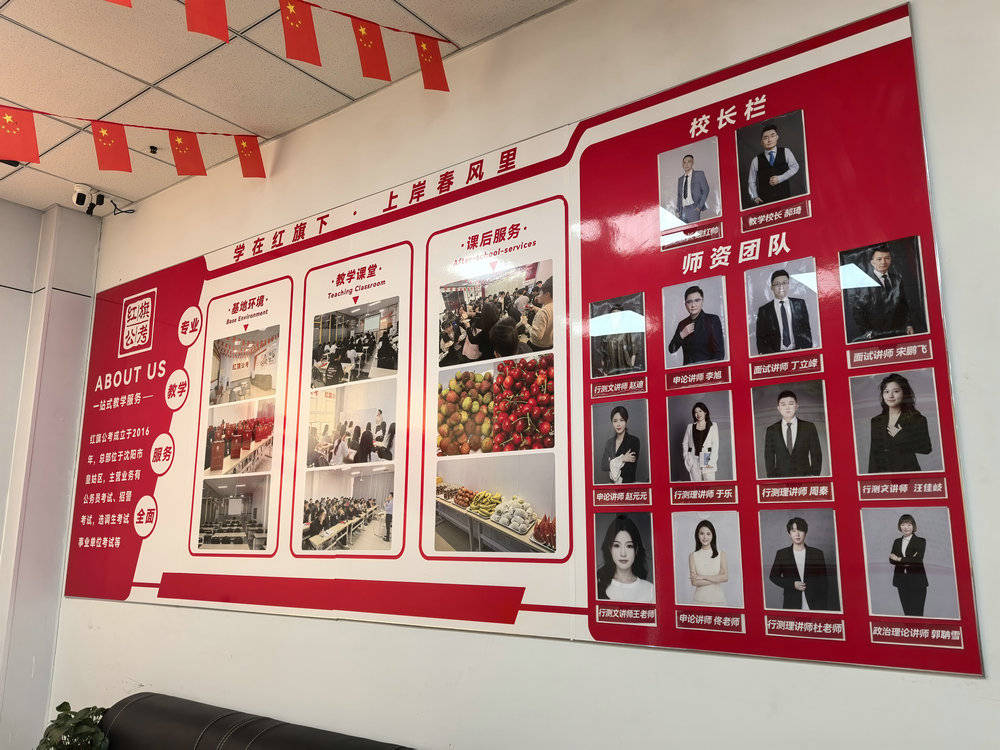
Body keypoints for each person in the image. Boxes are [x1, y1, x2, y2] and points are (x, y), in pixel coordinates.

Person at [848, 244, 917, 341]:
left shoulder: (897, 279)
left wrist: (908, 324)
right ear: (872, 262)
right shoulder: (864, 282)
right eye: (879, 259)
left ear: (891, 260)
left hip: (898, 330)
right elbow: (857, 310)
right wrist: (866, 332)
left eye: (887, 258)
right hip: (874, 334)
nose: (883, 262)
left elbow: (903, 304)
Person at [868, 373, 932, 473]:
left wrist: (899, 436)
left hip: (908, 471)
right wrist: (872, 478)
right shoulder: (876, 421)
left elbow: (926, 448)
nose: (890, 395)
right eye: (886, 391)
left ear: (904, 393)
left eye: (896, 391)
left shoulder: (916, 419)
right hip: (883, 473)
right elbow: (874, 454)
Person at [768, 517, 830, 610]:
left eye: (800, 530)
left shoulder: (817, 553)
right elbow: (773, 577)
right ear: (789, 533)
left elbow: (824, 582)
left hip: (815, 604)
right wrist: (792, 584)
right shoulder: (782, 554)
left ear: (805, 532)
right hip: (792, 603)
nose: (797, 534)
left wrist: (822, 606)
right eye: (793, 531)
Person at [763, 389, 822, 477]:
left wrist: (814, 475)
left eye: (791, 404)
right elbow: (769, 457)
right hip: (781, 478)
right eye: (783, 404)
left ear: (796, 406)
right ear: (778, 408)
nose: (787, 407)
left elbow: (816, 454)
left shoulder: (809, 427)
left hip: (805, 477)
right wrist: (772, 479)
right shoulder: (771, 430)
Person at [596, 515, 655, 603]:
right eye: (617, 545)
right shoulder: (597, 585)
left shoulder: (650, 590)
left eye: (629, 546)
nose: (623, 554)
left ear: (636, 549)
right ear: (610, 549)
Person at [755, 269, 813, 354]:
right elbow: (760, 338)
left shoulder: (799, 304)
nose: (781, 286)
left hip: (798, 352)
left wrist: (806, 351)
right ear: (771, 287)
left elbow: (806, 330)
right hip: (775, 355)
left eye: (784, 283)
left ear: (788, 285)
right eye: (777, 284)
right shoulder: (764, 310)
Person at [667, 285, 725, 365]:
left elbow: (720, 354)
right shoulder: (682, 324)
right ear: (685, 304)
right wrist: (682, 335)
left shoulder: (712, 320)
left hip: (707, 370)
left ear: (702, 301)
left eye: (697, 300)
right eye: (689, 302)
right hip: (687, 371)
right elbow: (671, 349)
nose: (693, 305)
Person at [747, 122, 800, 205]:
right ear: (761, 142)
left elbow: (795, 166)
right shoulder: (756, 160)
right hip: (765, 201)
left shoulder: (786, 151)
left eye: (772, 136)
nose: (769, 140)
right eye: (766, 138)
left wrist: (780, 178)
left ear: (777, 137)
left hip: (785, 197)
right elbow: (751, 180)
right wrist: (755, 196)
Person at [889, 513, 928, 616]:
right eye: (903, 524)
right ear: (899, 526)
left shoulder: (920, 541)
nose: (906, 527)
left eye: (909, 525)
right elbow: (891, 560)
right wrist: (908, 559)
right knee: (907, 613)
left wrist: (899, 559)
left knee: (917, 613)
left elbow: (917, 560)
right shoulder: (897, 542)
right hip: (901, 581)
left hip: (917, 581)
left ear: (913, 526)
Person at [688, 520, 728, 605]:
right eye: (702, 533)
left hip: (719, 600)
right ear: (697, 535)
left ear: (713, 535)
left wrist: (702, 577)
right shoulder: (693, 556)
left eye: (708, 534)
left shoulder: (721, 554)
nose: (705, 537)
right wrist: (717, 579)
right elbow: (694, 582)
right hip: (699, 601)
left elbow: (725, 577)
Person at [599, 406, 640, 484]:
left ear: (626, 421)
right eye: (615, 421)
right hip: (612, 485)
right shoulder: (609, 442)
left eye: (621, 420)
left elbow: (629, 469)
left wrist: (612, 461)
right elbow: (604, 466)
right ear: (612, 422)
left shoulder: (634, 441)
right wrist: (622, 459)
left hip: (628, 485)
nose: (618, 424)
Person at [594, 305, 639, 377]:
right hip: (610, 368)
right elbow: (603, 353)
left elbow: (633, 351)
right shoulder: (605, 332)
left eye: (619, 313)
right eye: (614, 313)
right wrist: (604, 370)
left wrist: (631, 367)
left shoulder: (627, 330)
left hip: (625, 367)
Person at [681, 401, 719, 481]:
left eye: (700, 411)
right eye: (695, 412)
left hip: (707, 458)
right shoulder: (690, 427)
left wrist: (711, 462)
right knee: (696, 486)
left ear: (705, 412)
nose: (698, 414)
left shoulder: (713, 426)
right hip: (694, 459)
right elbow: (685, 443)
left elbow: (715, 445)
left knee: (709, 485)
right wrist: (686, 457)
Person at [675, 153, 710, 223]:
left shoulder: (699, 174)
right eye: (684, 162)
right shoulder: (680, 179)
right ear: (682, 164)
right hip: (682, 210)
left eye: (689, 162)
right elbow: (679, 196)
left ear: (692, 162)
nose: (686, 164)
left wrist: (699, 207)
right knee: (683, 229)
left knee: (694, 229)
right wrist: (678, 209)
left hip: (693, 209)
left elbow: (706, 190)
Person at [525, 277, 554, 351]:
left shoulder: (543, 312)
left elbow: (536, 336)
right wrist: (535, 308)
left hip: (539, 346)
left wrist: (525, 324)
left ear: (547, 294)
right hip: (550, 344)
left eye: (540, 293)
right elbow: (548, 315)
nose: (538, 296)